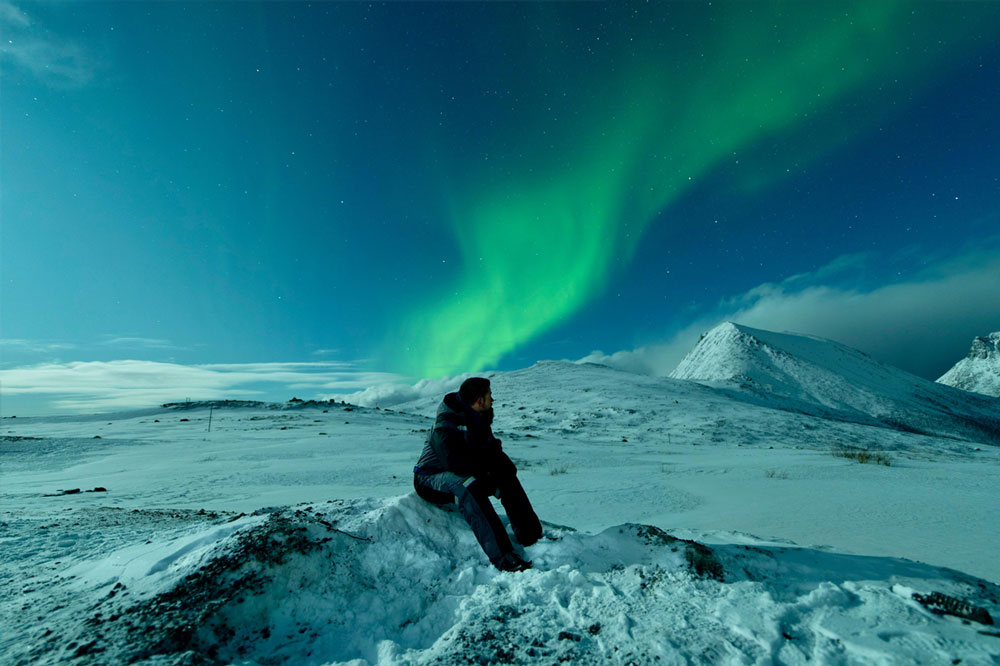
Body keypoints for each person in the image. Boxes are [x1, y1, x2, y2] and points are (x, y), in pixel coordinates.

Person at [413, 377, 542, 572]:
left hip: (461, 470)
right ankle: (504, 557)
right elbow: (452, 462)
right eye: (490, 395)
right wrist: (486, 477)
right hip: (430, 478)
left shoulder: (478, 417)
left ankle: (531, 536)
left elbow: (491, 449)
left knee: (505, 476)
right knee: (468, 484)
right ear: (480, 400)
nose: (493, 400)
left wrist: (504, 473)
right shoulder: (446, 423)